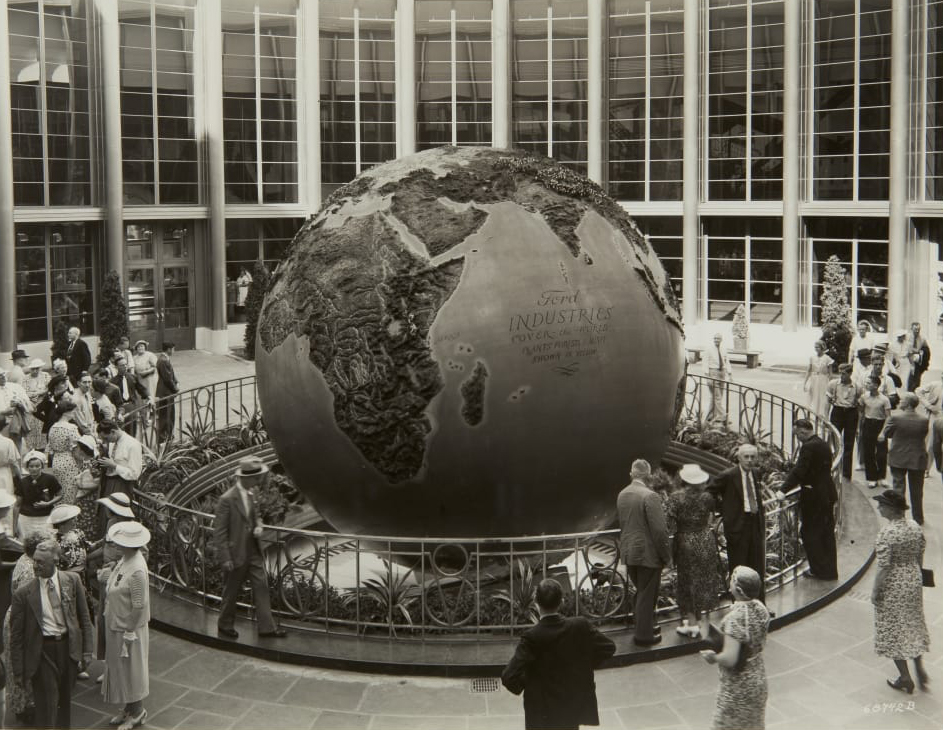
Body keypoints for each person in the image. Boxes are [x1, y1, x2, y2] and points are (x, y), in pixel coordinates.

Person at [500, 579, 616, 730]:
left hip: (542, 710)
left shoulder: (532, 637)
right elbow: (608, 648)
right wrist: (583, 665)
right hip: (572, 704)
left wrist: (529, 682)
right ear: (561, 601)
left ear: (536, 601)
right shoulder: (580, 625)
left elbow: (509, 676)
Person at [9, 538, 94, 730]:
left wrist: (87, 651)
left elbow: (84, 618)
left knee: (65, 703)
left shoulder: (72, 581)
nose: (35, 566)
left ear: (55, 562)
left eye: (40, 562)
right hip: (42, 652)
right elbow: (16, 638)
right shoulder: (24, 594)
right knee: (47, 704)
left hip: (68, 650)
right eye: (35, 560)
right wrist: (19, 672)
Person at [213, 456, 287, 640]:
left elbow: (256, 517)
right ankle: (224, 624)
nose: (258, 482)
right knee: (231, 591)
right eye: (255, 478)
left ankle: (267, 628)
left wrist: (259, 525)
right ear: (245, 478)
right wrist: (226, 558)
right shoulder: (227, 499)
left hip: (252, 550)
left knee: (261, 586)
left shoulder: (251, 495)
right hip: (235, 552)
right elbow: (219, 531)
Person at [870, 490, 930, 694]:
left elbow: (884, 566)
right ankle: (919, 667)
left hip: (893, 584)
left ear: (891, 509)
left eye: (882, 505)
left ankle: (905, 677)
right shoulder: (914, 526)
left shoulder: (886, 534)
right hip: (913, 577)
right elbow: (921, 553)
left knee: (892, 629)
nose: (879, 508)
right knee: (913, 623)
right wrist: (915, 573)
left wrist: (876, 591)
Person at [700, 565, 770, 730]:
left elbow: (730, 659)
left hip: (738, 686)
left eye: (731, 578)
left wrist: (713, 657)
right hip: (758, 677)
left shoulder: (735, 618)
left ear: (737, 589)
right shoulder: (761, 609)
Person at [708, 444, 777, 603]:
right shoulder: (729, 475)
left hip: (754, 524)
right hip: (738, 527)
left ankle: (759, 605)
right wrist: (724, 509)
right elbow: (709, 491)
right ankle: (739, 606)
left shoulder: (755, 473)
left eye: (753, 457)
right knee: (739, 567)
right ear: (739, 458)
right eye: (746, 456)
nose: (750, 460)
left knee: (757, 566)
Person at [101, 521, 151, 730]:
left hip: (128, 630)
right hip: (116, 624)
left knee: (132, 670)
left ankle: (138, 712)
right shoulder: (125, 560)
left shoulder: (137, 569)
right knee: (121, 670)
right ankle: (129, 708)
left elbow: (139, 606)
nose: (116, 545)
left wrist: (129, 631)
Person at [616, 459, 671, 646]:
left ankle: (644, 626)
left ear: (631, 474)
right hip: (647, 553)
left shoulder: (622, 494)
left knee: (641, 592)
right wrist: (666, 556)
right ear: (648, 476)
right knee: (648, 594)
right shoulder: (650, 496)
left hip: (629, 551)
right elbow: (659, 531)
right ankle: (644, 635)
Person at [2, 531, 53, 725]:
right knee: (24, 663)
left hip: (18, 617)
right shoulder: (30, 570)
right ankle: (26, 707)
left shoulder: (25, 559)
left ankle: (24, 705)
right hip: (23, 621)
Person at [668, 463, 724, 639]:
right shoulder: (707, 497)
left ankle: (692, 624)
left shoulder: (676, 498)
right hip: (705, 539)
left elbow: (669, 524)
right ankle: (701, 620)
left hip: (686, 541)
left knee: (687, 581)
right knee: (704, 579)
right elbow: (714, 513)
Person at [780, 418, 839, 581]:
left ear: (802, 431)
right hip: (827, 493)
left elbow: (801, 471)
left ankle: (819, 570)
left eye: (797, 435)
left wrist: (783, 489)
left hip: (815, 497)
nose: (797, 438)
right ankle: (828, 570)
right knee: (826, 533)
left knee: (810, 533)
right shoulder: (822, 443)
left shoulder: (808, 447)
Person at [880, 393, 929, 525]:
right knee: (917, 491)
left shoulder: (896, 418)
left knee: (898, 488)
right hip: (917, 458)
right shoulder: (924, 420)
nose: (900, 402)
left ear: (907, 403)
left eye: (902, 400)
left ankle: (898, 518)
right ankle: (918, 518)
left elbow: (887, 434)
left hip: (898, 457)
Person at [97, 419, 143, 512]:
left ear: (113, 432)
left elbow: (134, 474)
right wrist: (102, 463)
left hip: (123, 486)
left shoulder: (132, 445)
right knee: (107, 513)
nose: (105, 442)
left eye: (106, 438)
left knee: (118, 513)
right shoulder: (113, 442)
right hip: (109, 484)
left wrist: (114, 466)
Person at [15, 450, 63, 537]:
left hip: (45, 517)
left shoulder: (50, 479)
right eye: (31, 466)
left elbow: (60, 495)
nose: (34, 469)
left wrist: (48, 503)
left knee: (46, 541)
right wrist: (14, 524)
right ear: (27, 467)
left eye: (37, 466)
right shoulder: (23, 482)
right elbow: (18, 504)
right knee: (26, 542)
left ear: (42, 466)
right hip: (26, 518)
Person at [826, 364, 860, 480]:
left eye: (844, 373)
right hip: (837, 412)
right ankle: (833, 470)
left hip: (851, 413)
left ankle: (846, 474)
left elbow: (860, 406)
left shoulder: (857, 386)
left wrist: (859, 425)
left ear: (850, 373)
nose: (841, 376)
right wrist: (826, 418)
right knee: (834, 442)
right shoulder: (833, 384)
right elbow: (827, 402)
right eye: (840, 373)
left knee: (849, 444)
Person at [858, 375, 891, 489]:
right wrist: (859, 428)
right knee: (869, 452)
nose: (866, 385)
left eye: (869, 383)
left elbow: (888, 417)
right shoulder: (864, 397)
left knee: (881, 453)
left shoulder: (884, 399)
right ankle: (871, 478)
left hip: (880, 424)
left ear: (876, 385)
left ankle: (882, 477)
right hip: (868, 424)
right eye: (866, 383)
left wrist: (883, 432)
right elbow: (861, 413)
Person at [47, 401, 82, 506]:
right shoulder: (71, 428)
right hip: (69, 461)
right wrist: (81, 465)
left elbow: (50, 448)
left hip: (56, 460)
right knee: (70, 492)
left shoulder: (53, 427)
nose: (74, 413)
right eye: (73, 411)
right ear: (66, 413)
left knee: (60, 491)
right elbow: (76, 450)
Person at [70, 434, 102, 539]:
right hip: (85, 496)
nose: (77, 449)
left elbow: (93, 482)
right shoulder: (87, 462)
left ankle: (87, 540)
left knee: (87, 518)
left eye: (78, 447)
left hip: (89, 497)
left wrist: (79, 481)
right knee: (83, 517)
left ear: (83, 450)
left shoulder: (92, 464)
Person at [109, 358, 148, 437]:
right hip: (120, 408)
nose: (125, 367)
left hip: (131, 406)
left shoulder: (132, 377)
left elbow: (141, 388)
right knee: (121, 431)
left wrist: (149, 396)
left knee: (132, 429)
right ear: (117, 367)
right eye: (122, 365)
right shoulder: (112, 381)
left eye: (126, 364)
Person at [0, 367, 32, 453]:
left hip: (16, 423)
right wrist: (3, 412)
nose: (2, 377)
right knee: (3, 450)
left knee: (17, 449)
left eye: (3, 375)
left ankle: (18, 465)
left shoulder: (15, 387)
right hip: (1, 426)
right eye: (0, 376)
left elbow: (29, 406)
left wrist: (20, 404)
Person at [23, 359, 51, 451]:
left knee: (42, 428)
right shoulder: (26, 378)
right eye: (33, 369)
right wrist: (36, 394)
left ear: (41, 368)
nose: (35, 371)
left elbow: (49, 389)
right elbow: (24, 393)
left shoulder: (46, 376)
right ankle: (32, 450)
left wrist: (39, 392)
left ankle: (42, 450)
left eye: (37, 368)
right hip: (31, 406)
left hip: (43, 406)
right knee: (31, 429)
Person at [0, 416, 21, 534]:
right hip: (4, 475)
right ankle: (7, 533)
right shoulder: (7, 442)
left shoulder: (8, 442)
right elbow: (14, 463)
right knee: (7, 501)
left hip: (4, 472)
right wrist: (20, 477)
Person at [155, 342, 179, 443]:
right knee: (166, 416)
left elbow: (171, 375)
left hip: (166, 391)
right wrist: (175, 389)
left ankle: (168, 435)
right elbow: (167, 378)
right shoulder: (163, 360)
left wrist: (176, 382)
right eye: (173, 349)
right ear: (168, 349)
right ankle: (164, 438)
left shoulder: (163, 359)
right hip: (165, 392)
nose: (174, 351)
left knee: (169, 415)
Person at [804, 340, 834, 418]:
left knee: (822, 397)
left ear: (822, 348)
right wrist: (805, 382)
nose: (816, 349)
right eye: (815, 347)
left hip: (823, 379)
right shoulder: (812, 358)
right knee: (813, 396)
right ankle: (812, 414)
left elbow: (830, 373)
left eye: (818, 347)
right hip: (813, 379)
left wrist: (830, 384)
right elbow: (808, 370)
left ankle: (822, 415)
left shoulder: (827, 358)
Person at [705, 333, 730, 425]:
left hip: (722, 373)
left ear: (721, 340)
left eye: (718, 338)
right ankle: (723, 417)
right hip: (713, 373)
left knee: (716, 397)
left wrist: (729, 374)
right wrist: (708, 377)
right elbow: (705, 363)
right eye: (715, 338)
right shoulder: (709, 349)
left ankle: (709, 416)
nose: (716, 340)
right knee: (717, 396)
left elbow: (727, 362)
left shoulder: (723, 349)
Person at [906, 322, 930, 392]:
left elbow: (927, 351)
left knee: (916, 381)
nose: (917, 331)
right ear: (911, 329)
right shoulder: (906, 337)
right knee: (908, 379)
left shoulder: (922, 339)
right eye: (915, 329)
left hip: (916, 362)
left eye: (918, 329)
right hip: (907, 361)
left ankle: (914, 394)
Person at [70, 371, 95, 436]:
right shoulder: (76, 399)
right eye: (84, 382)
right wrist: (92, 435)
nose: (87, 385)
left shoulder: (87, 394)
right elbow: (81, 423)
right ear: (78, 383)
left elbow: (90, 413)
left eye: (89, 382)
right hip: (82, 433)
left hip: (90, 428)